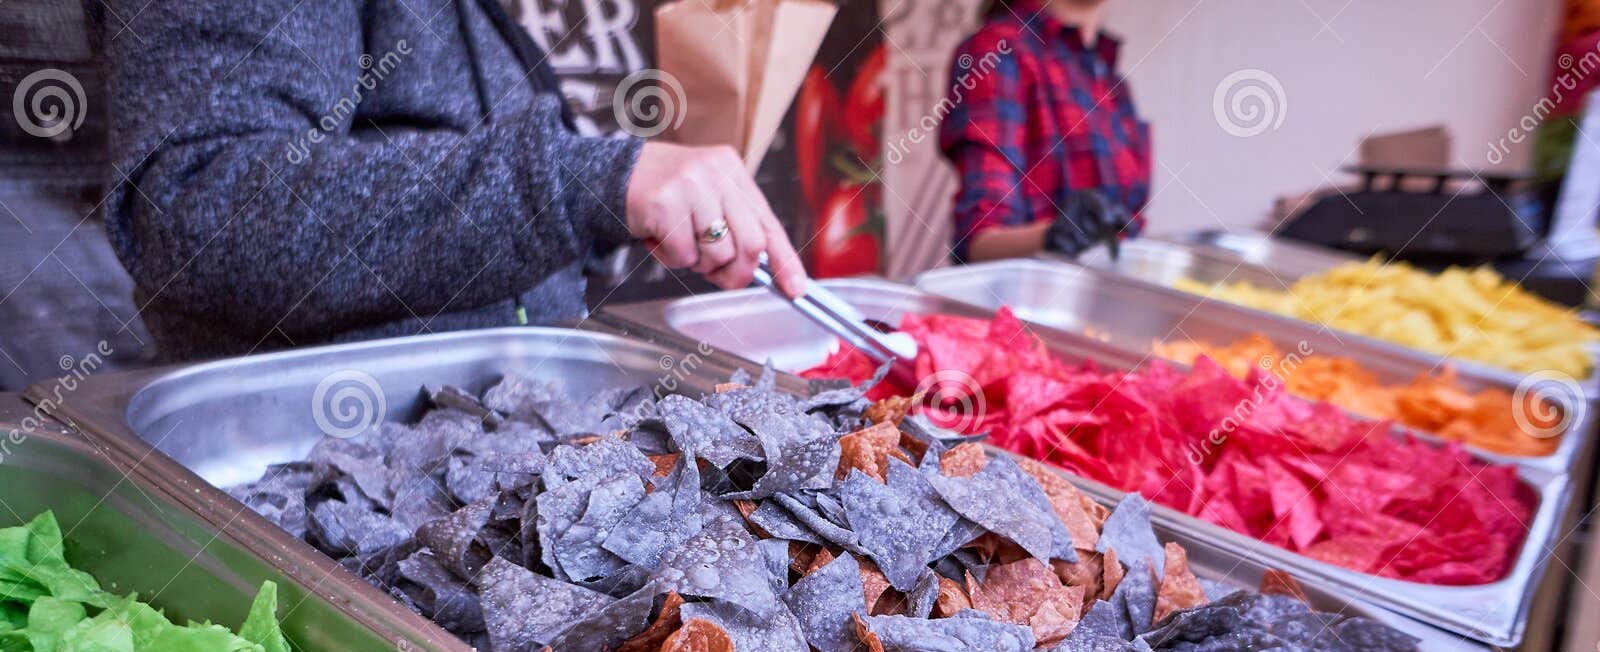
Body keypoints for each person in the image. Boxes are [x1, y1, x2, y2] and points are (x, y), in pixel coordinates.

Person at [97, 0, 806, 361]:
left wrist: (600, 220)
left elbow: (447, 193)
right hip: (328, 516)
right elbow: (200, 206)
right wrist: (584, 183)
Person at [939, 0, 1151, 262]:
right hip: (1032, 300)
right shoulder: (998, 51)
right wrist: (1055, 236)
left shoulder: (1111, 80)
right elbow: (976, 245)